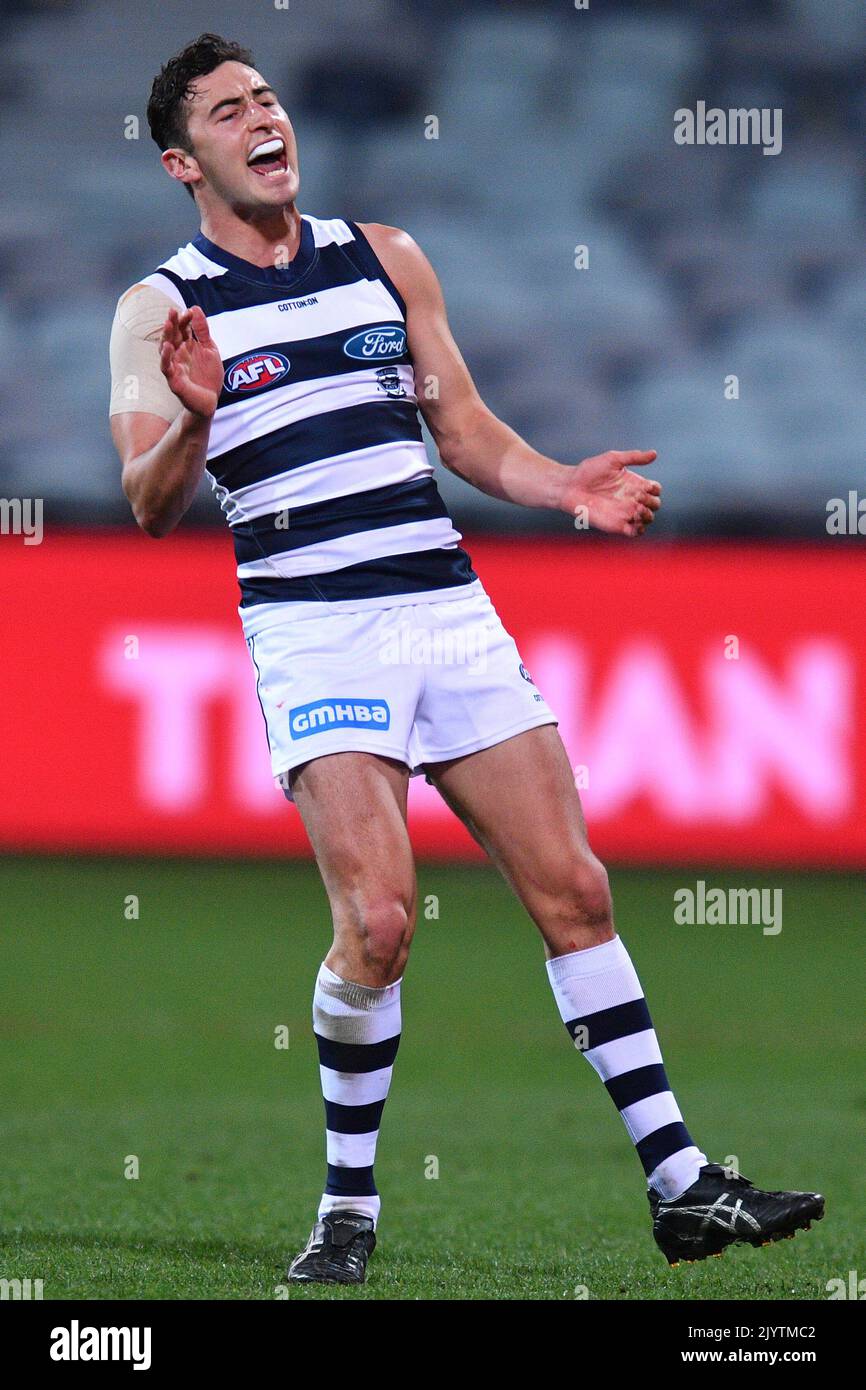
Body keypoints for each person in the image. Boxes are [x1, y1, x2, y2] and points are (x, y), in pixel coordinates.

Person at [109, 33, 824, 1285]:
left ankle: (677, 1183)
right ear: (183, 160)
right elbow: (148, 501)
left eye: (268, 97)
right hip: (316, 624)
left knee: (576, 892)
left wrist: (559, 486)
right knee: (379, 921)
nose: (263, 119)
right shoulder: (160, 307)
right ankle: (346, 1205)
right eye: (229, 112)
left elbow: (459, 424)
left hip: (445, 609)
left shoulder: (385, 257)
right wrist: (196, 423)